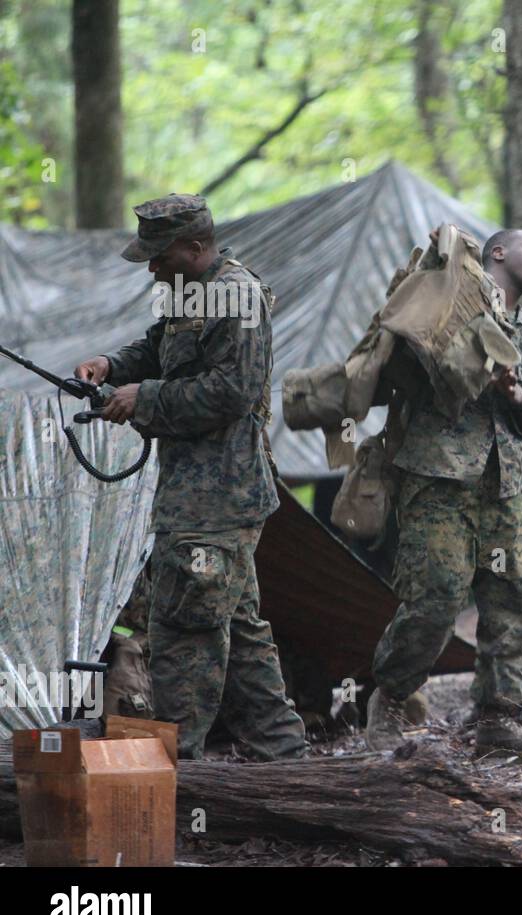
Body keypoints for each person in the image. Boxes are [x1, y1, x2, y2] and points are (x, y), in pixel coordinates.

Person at [74, 193, 307, 761]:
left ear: (196, 247)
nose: (152, 267)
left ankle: (177, 771)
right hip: (195, 495)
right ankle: (284, 756)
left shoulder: (241, 296)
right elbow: (160, 347)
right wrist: (113, 367)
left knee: (185, 631)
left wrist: (143, 398)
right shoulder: (188, 292)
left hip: (220, 498)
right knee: (240, 628)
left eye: (160, 255)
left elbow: (235, 390)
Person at [365, 228, 522, 758]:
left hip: (503, 486)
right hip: (439, 479)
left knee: (513, 599)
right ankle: (392, 699)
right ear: (498, 253)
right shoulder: (445, 302)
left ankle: (501, 716)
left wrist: (518, 395)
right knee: (436, 596)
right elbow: (404, 363)